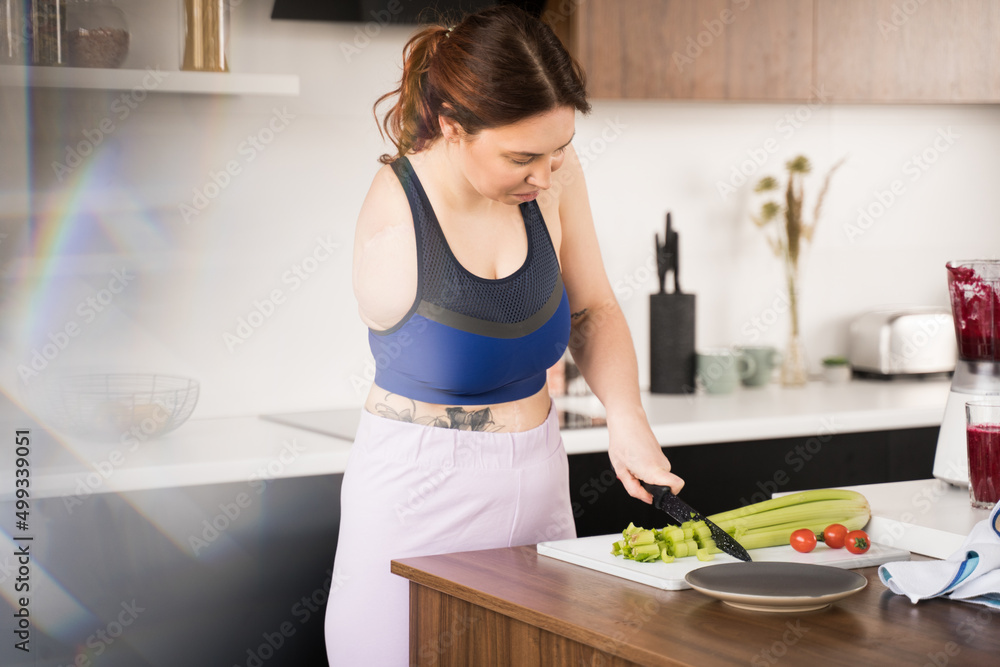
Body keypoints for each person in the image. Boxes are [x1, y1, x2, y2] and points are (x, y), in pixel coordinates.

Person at [324, 6, 684, 665]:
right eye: (523, 157)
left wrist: (626, 416)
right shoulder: (396, 218)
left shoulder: (551, 177)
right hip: (420, 495)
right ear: (453, 127)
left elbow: (592, 308)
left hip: (542, 479)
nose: (546, 175)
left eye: (559, 150)